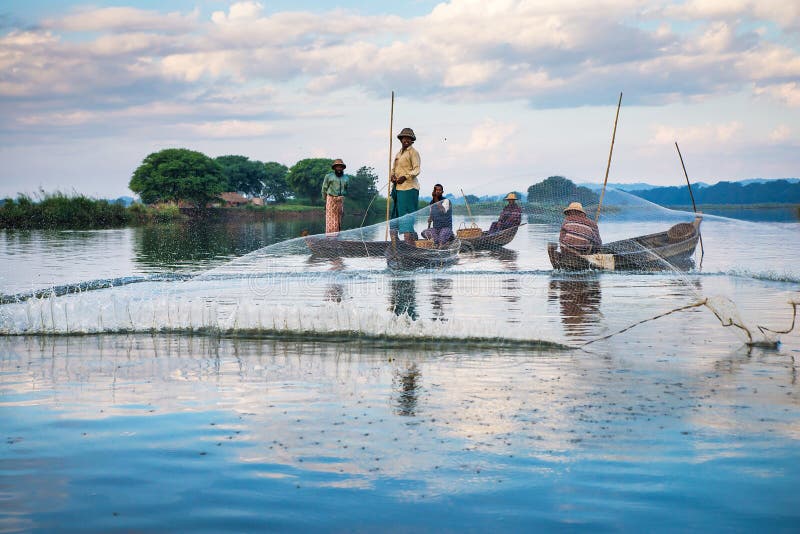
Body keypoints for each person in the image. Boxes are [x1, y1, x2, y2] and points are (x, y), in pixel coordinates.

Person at [390, 127, 421, 243]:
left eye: (409, 138)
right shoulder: (398, 154)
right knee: (396, 214)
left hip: (409, 188)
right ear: (401, 139)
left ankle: (409, 243)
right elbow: (394, 169)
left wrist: (405, 177)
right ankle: (395, 243)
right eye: (404, 138)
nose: (406, 140)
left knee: (407, 216)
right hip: (398, 188)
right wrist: (392, 176)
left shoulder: (413, 153)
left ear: (412, 140)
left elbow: (417, 169)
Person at [321, 158, 349, 235]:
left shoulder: (346, 178)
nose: (339, 168)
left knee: (339, 220)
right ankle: (330, 238)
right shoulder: (329, 176)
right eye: (337, 167)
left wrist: (342, 197)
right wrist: (325, 200)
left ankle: (337, 238)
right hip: (330, 199)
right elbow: (324, 189)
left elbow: (346, 189)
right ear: (334, 168)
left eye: (340, 167)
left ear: (343, 168)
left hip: (340, 200)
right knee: (331, 221)